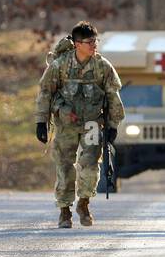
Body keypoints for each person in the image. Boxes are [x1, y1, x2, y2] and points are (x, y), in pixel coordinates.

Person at [33, 21, 124, 228]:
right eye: (89, 41)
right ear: (77, 44)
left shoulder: (102, 66)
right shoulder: (60, 65)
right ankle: (64, 211)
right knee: (64, 167)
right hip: (66, 124)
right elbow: (45, 92)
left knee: (90, 166)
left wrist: (113, 125)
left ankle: (84, 203)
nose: (94, 45)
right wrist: (41, 121)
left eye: (95, 41)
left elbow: (113, 96)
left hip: (92, 123)